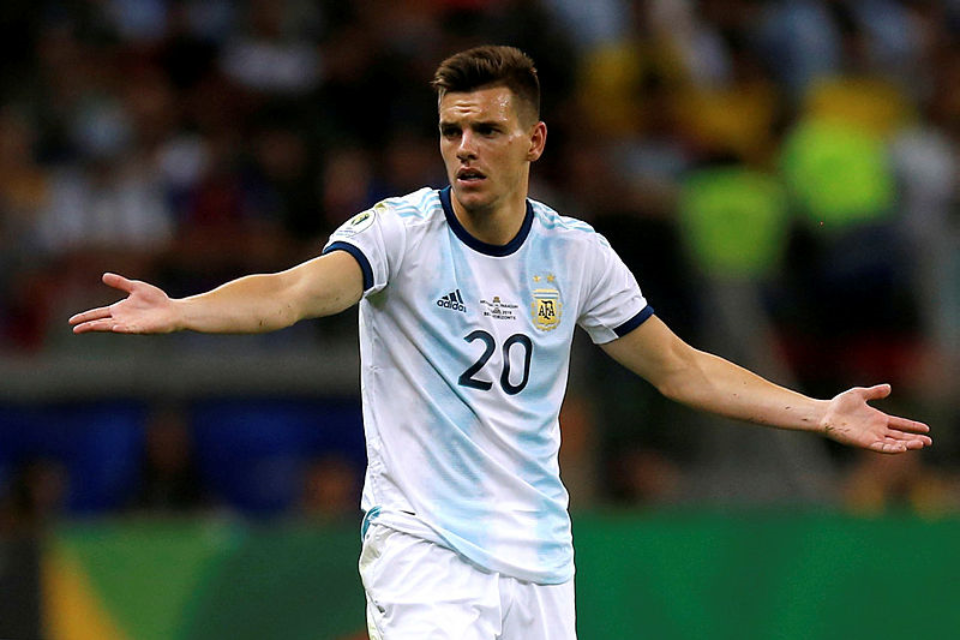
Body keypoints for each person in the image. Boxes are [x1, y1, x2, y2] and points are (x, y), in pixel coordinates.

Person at [69, 45, 932, 640]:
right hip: (424, 550)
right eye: (451, 131)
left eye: (486, 130)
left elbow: (680, 368)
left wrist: (819, 413)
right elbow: (292, 294)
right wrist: (184, 309)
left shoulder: (576, 254)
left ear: (534, 140)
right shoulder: (398, 232)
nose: (465, 149)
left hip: (539, 559)